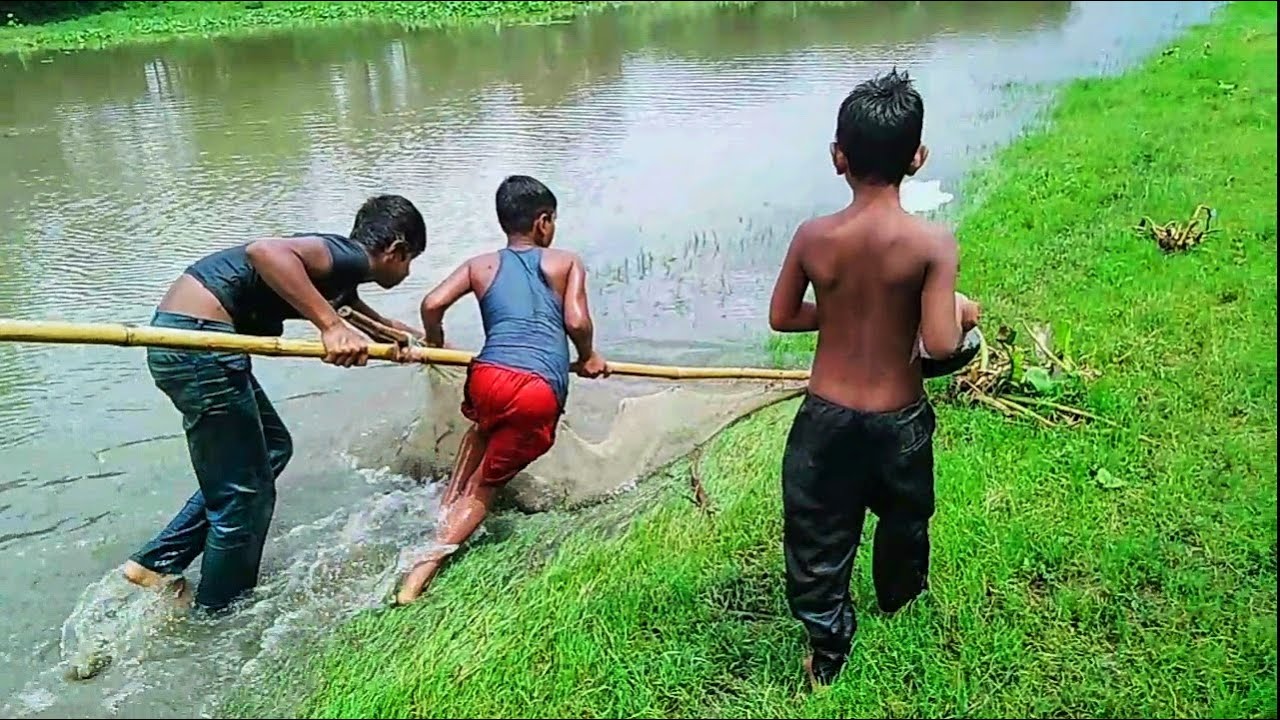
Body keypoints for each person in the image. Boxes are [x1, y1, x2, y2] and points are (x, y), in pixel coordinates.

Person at [767, 69, 981, 688]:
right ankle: (900, 601)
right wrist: (962, 313)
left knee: (817, 536)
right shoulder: (933, 243)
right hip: (900, 421)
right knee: (904, 518)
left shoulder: (814, 236)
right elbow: (940, 343)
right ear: (918, 158)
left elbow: (782, 317)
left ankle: (827, 652)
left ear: (838, 157)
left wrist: (835, 311)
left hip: (826, 417)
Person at [122, 194, 428, 614]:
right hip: (198, 346)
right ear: (396, 251)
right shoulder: (345, 257)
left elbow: (373, 324)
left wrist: (411, 345)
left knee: (271, 449)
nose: (407, 272)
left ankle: (157, 564)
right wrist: (330, 326)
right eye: (410, 262)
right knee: (245, 492)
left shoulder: (337, 277)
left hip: (193, 345)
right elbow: (263, 251)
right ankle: (217, 613)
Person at [395, 174, 608, 606]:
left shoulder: (480, 265)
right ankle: (418, 578)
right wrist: (588, 356)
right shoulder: (565, 262)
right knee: (486, 488)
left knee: (480, 431)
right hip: (536, 388)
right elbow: (578, 321)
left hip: (487, 375)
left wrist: (434, 344)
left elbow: (432, 304)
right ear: (543, 222)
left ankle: (444, 506)